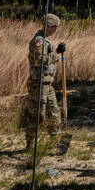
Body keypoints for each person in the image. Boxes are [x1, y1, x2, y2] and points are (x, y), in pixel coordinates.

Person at [21, 13, 70, 155]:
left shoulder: (46, 40)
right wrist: (56, 54)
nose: (55, 30)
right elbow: (40, 60)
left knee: (54, 112)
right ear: (48, 26)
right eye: (54, 27)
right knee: (37, 115)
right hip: (38, 84)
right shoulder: (39, 41)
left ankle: (56, 142)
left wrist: (56, 52)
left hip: (48, 84)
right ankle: (30, 144)